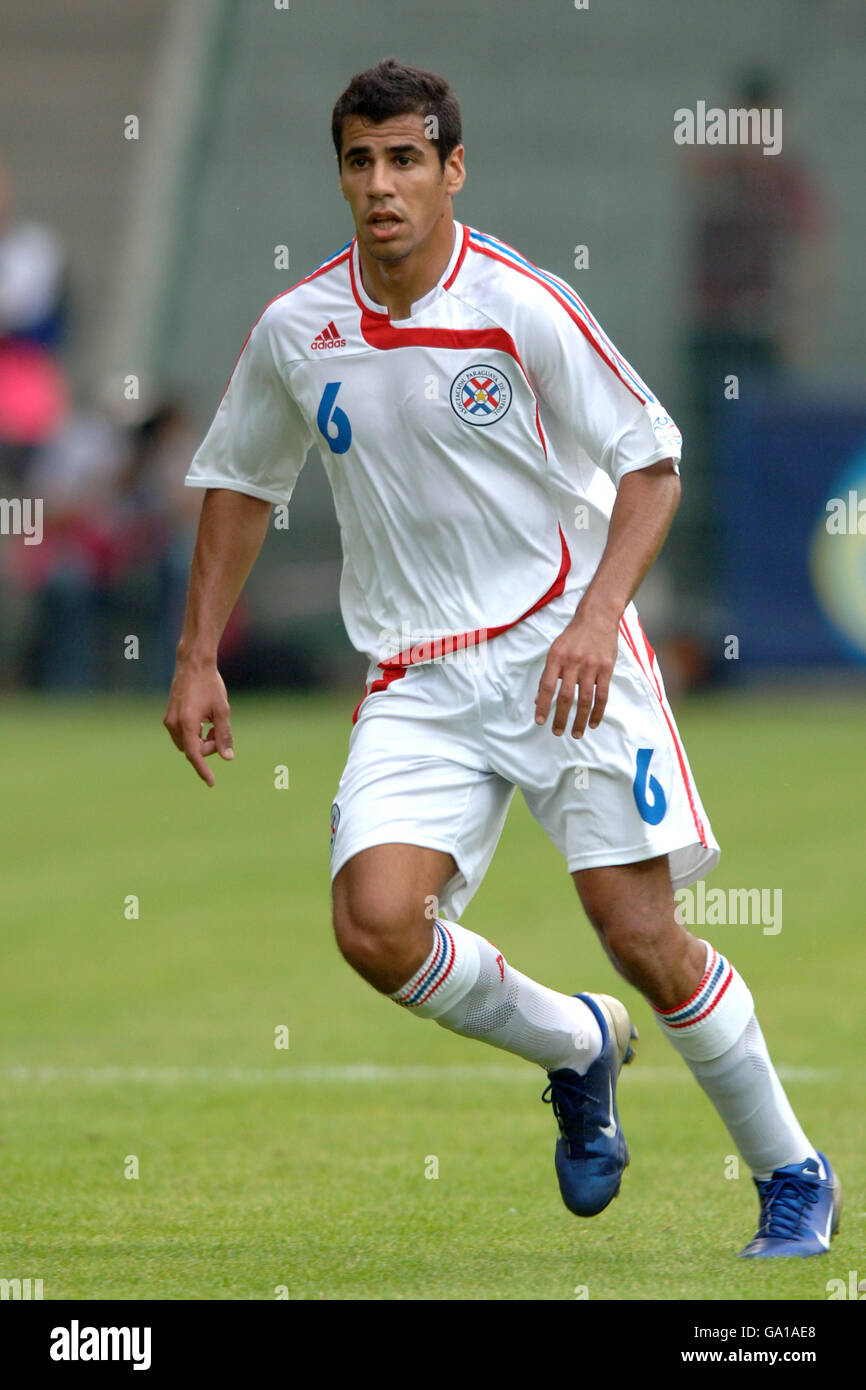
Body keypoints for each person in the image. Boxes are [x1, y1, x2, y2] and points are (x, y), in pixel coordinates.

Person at [164, 58, 838, 1258]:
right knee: (375, 926)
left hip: (562, 651)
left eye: (405, 159)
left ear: (450, 170)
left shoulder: (519, 304)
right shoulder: (296, 329)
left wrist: (595, 618)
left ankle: (792, 1171)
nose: (382, 184)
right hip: (417, 676)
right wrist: (195, 653)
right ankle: (574, 1045)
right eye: (361, 161)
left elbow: (652, 464)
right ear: (341, 175)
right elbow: (236, 482)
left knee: (638, 934)